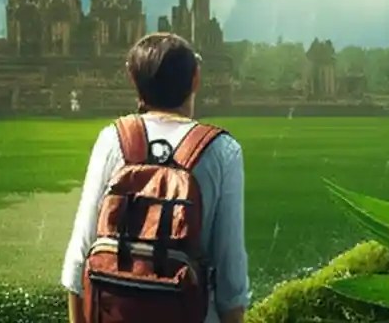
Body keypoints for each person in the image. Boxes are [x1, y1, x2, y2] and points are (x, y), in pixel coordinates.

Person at [60, 32, 249, 323]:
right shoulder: (222, 151)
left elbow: (79, 256)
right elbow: (231, 274)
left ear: (134, 80)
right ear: (195, 79)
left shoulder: (112, 140)